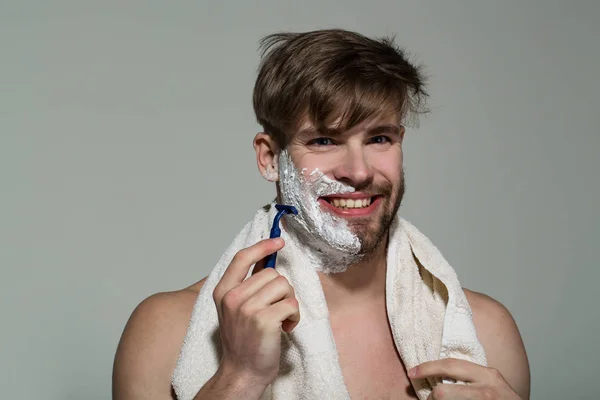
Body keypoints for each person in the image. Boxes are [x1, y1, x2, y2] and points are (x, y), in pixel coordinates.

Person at [112, 29, 530, 400]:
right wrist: (239, 378)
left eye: (379, 138)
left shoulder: (484, 332)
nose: (360, 170)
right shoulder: (165, 331)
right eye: (325, 140)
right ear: (270, 158)